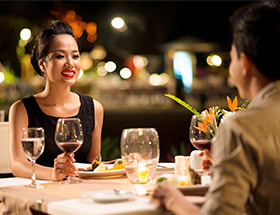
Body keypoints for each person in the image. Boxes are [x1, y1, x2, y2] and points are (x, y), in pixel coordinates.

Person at [152, 1, 280, 214]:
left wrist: (172, 199)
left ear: (245, 63)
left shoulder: (242, 127)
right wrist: (226, 161)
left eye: (232, 58)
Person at [9, 20, 104, 181]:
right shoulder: (22, 109)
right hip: (40, 193)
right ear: (43, 65)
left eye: (75, 56)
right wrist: (53, 174)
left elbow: (93, 164)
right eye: (60, 56)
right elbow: (18, 164)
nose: (70, 63)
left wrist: (123, 163)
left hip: (82, 194)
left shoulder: (94, 108)